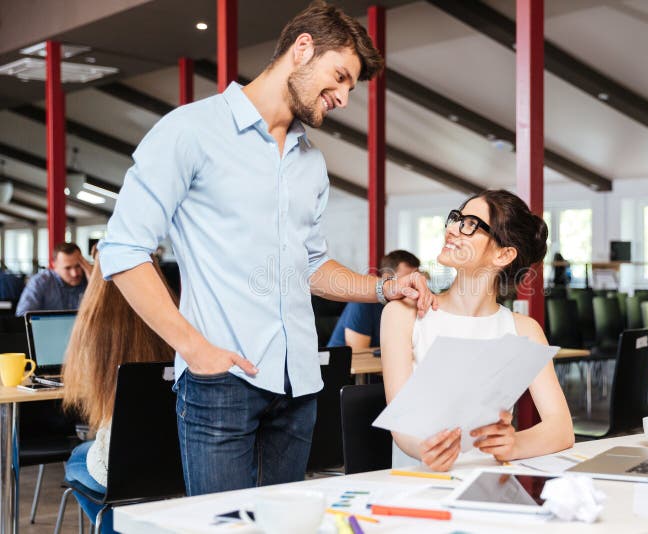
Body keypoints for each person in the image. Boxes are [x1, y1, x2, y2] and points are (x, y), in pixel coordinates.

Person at [97, 1, 434, 497]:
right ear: (302, 49)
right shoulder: (190, 130)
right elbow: (123, 250)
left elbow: (313, 267)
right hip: (220, 384)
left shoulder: (311, 163)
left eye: (350, 87)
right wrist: (194, 348)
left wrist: (385, 288)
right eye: (339, 77)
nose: (342, 97)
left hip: (299, 385)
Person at [381, 189, 574, 471]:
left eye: (470, 225)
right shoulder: (404, 314)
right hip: (418, 477)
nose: (451, 229)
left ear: (503, 254)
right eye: (456, 219)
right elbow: (401, 426)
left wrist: (515, 444)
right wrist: (426, 448)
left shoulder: (525, 330)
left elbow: (562, 428)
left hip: (491, 478)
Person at [61, 253, 175, 533]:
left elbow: (88, 398)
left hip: (123, 465)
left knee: (77, 457)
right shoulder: (178, 318)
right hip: (176, 462)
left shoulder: (93, 331)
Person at [328, 250, 421, 350]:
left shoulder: (410, 303)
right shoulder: (363, 301)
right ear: (387, 278)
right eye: (405, 280)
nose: (413, 287)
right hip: (342, 363)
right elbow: (358, 355)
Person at [16, 242, 92, 316]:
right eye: (67, 268)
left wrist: (94, 280)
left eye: (78, 266)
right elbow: (22, 316)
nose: (75, 274)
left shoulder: (89, 279)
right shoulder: (40, 282)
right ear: (54, 265)